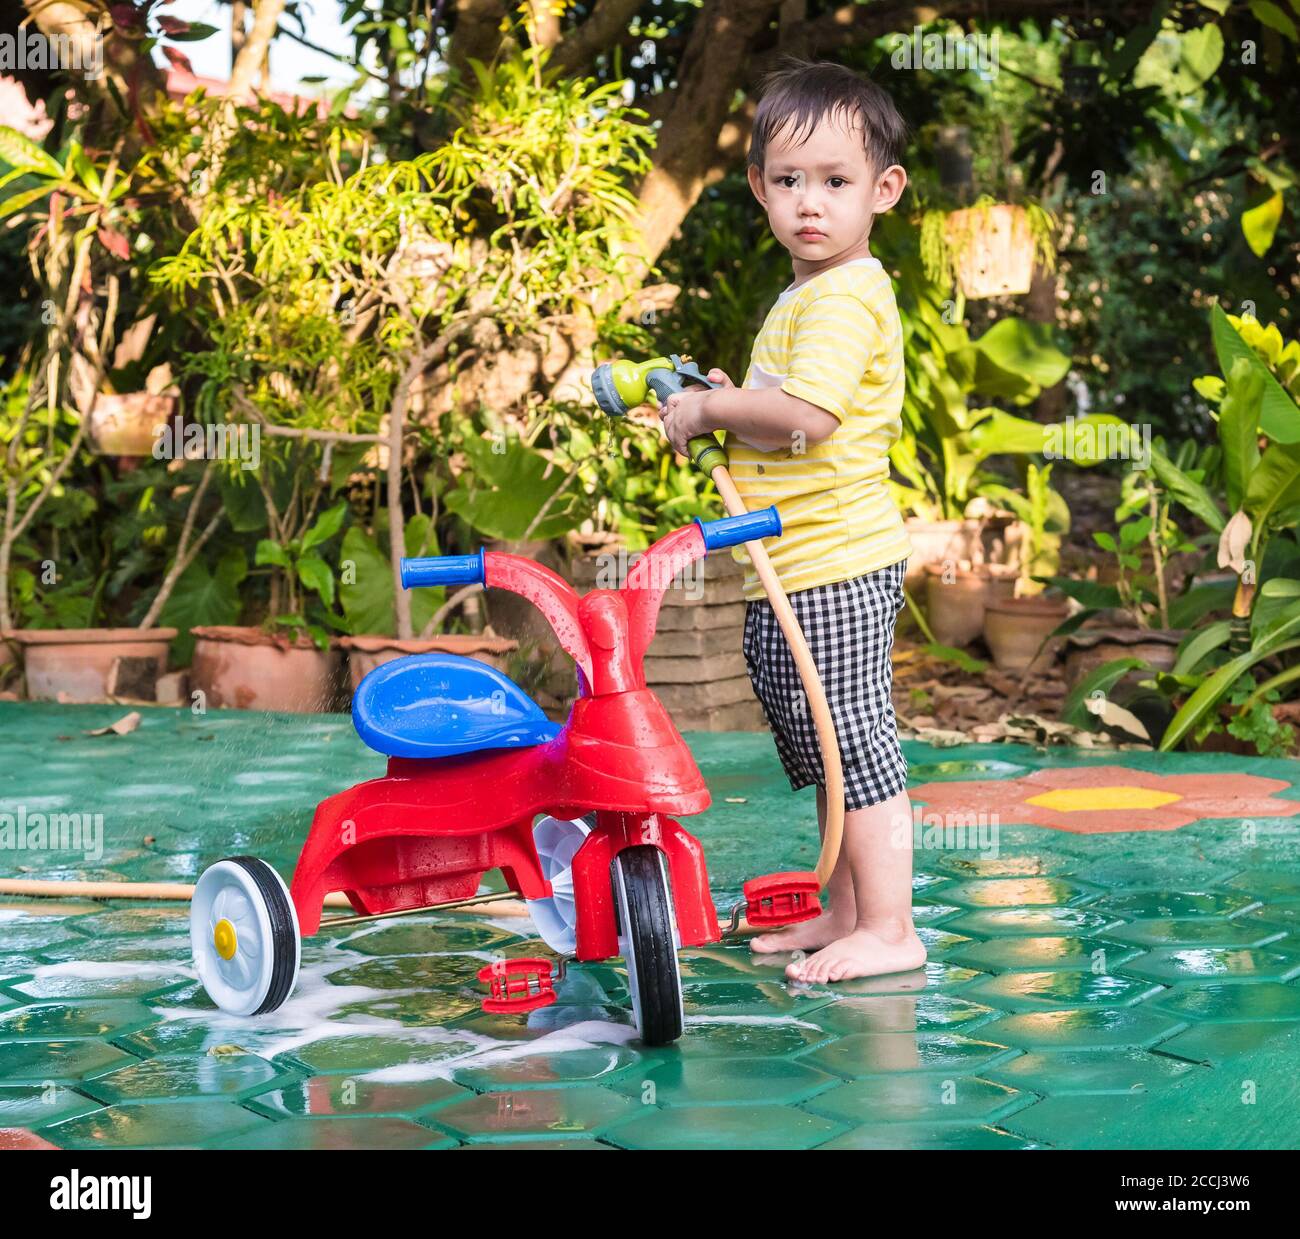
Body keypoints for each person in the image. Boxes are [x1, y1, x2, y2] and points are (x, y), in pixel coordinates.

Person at [658, 57, 923, 984]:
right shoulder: (810, 294)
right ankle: (845, 911)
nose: (811, 203)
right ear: (760, 187)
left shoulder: (848, 296)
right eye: (789, 181)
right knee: (828, 749)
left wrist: (708, 414)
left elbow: (809, 416)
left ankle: (892, 926)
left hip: (840, 563)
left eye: (837, 182)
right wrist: (734, 396)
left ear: (883, 190)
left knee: (857, 741)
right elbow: (784, 402)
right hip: (796, 564)